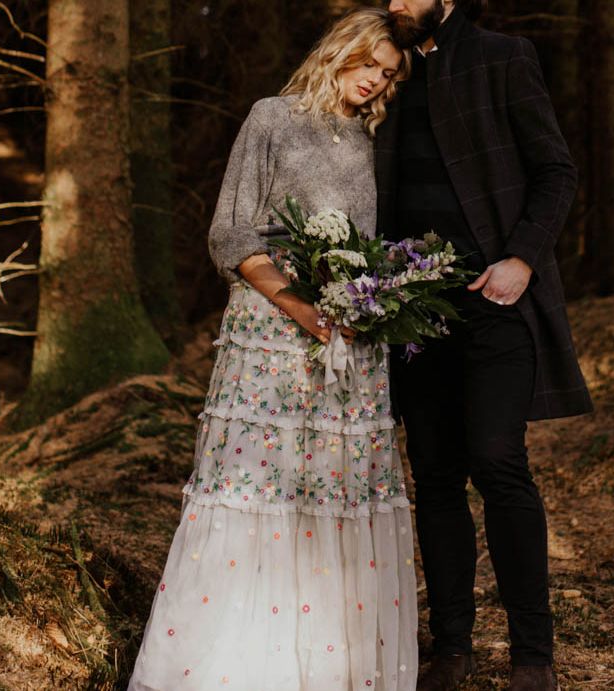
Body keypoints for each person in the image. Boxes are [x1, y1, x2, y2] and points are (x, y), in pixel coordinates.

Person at [128, 9, 417, 690]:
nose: (376, 80)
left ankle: (326, 664)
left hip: (349, 339)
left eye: (388, 73)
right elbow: (230, 234)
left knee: (331, 490)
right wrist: (298, 305)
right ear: (340, 53)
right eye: (369, 63)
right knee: (261, 486)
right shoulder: (272, 118)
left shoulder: (373, 141)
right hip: (271, 334)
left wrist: (359, 306)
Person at [376, 1, 593, 690]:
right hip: (415, 313)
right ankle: (452, 647)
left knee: (498, 460)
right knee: (435, 475)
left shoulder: (505, 56)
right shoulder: (388, 73)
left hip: (495, 300)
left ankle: (534, 653)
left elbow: (556, 172)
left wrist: (521, 259)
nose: (393, 3)